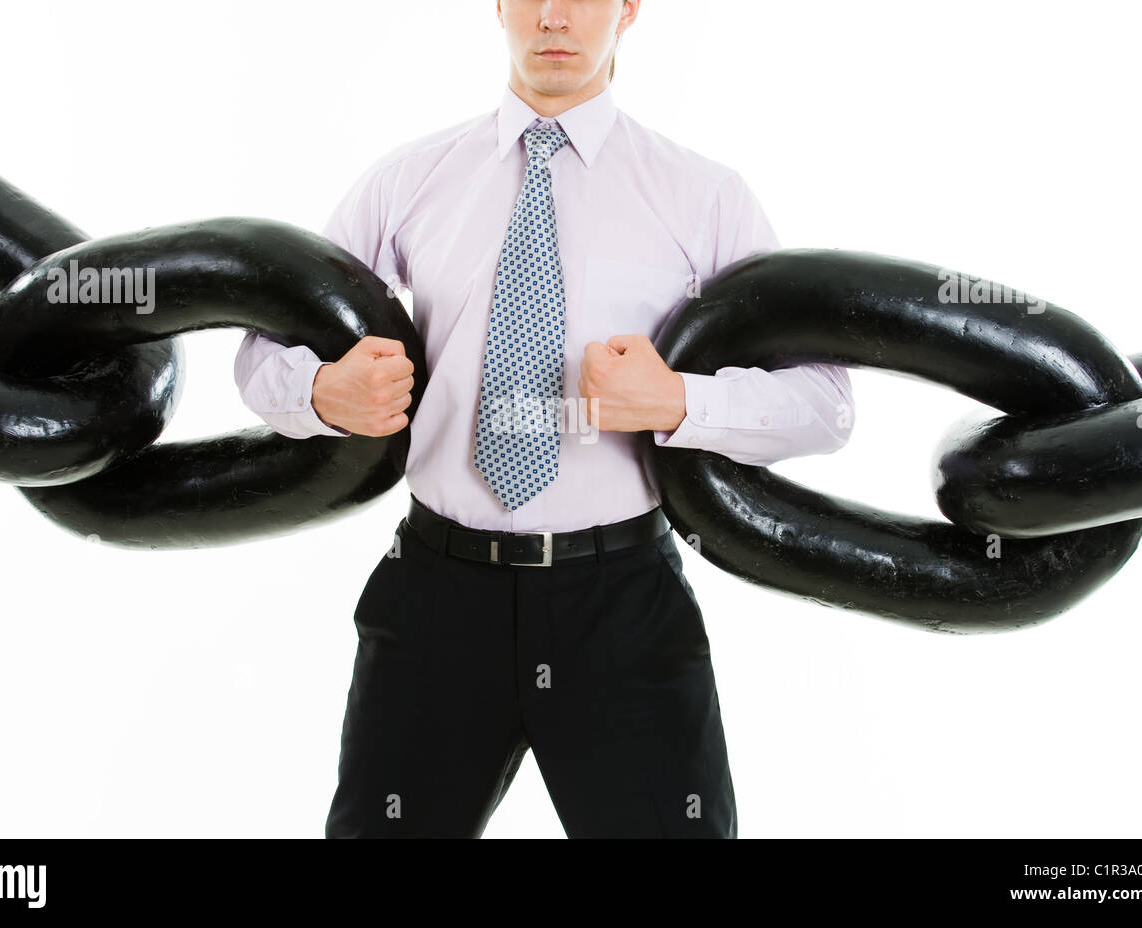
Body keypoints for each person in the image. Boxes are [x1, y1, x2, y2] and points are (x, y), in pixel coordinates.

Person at [234, 0, 854, 838]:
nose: (555, 15)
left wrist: (678, 401)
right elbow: (267, 342)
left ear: (629, 8)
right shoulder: (409, 181)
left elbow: (823, 399)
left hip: (622, 607)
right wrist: (317, 394)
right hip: (436, 598)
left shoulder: (704, 199)